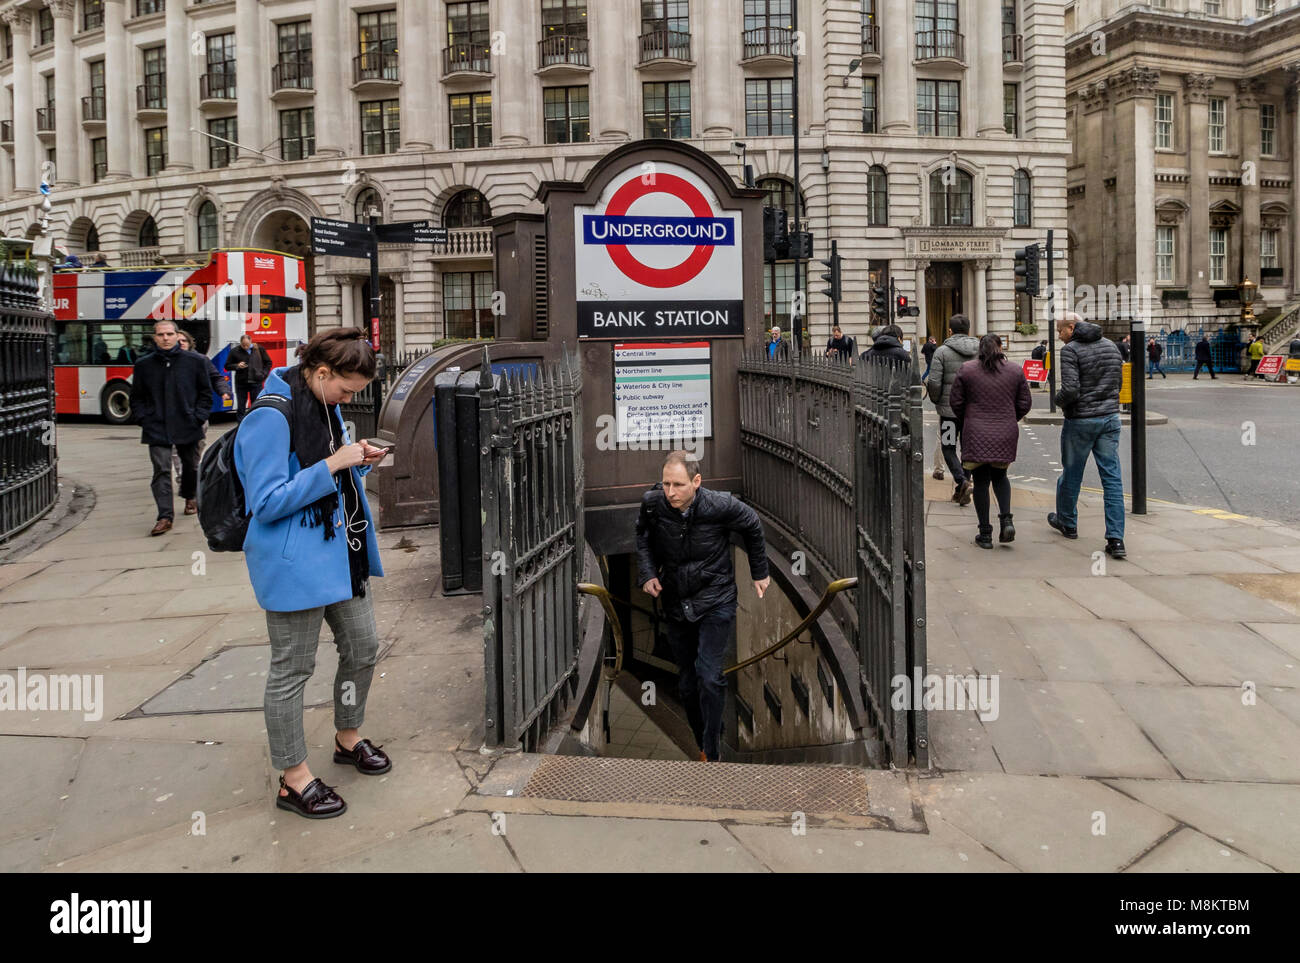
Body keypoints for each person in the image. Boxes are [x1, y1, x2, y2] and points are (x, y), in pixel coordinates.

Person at [234, 327, 390, 819]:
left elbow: (333, 477)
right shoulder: (268, 417)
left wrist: (358, 462)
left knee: (363, 648)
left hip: (343, 553)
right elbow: (265, 501)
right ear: (321, 372)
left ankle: (348, 737)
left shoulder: (326, 405)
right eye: (346, 390)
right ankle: (293, 778)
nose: (349, 399)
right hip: (294, 565)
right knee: (292, 670)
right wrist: (332, 464)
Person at [636, 451, 769, 763]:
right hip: (675, 602)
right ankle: (702, 743)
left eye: (678, 485)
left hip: (715, 599)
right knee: (686, 685)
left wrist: (759, 571)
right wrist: (647, 573)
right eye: (666, 483)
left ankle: (712, 749)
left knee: (708, 676)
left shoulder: (719, 505)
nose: (670, 492)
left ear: (696, 482)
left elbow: (751, 523)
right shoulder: (653, 503)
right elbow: (642, 536)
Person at [1049, 312, 1126, 559]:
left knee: (1072, 474)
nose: (1059, 336)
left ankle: (1068, 524)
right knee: (1112, 479)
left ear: (1072, 327)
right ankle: (1116, 540)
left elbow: (1070, 389)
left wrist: (1057, 401)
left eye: (1060, 330)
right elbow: (1119, 384)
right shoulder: (1112, 346)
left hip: (1081, 420)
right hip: (1110, 418)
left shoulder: (1071, 350)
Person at [129, 319, 213, 535]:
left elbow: (205, 393)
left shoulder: (195, 361)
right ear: (154, 338)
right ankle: (165, 516)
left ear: (177, 336)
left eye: (169, 334)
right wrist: (143, 418)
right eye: (160, 335)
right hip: (156, 426)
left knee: (190, 467)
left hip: (187, 423)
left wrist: (198, 416)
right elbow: (137, 397)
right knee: (161, 470)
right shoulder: (144, 365)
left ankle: (189, 495)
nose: (165, 338)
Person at [949, 334, 1033, 549]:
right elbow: (1025, 403)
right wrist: (1008, 418)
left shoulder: (967, 370)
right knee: (1000, 476)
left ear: (980, 348)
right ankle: (1007, 520)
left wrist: (968, 418)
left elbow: (956, 402)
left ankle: (985, 534)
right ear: (1000, 347)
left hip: (976, 430)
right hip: (1004, 430)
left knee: (981, 480)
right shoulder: (1015, 370)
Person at [925, 314, 978, 506]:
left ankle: (962, 482)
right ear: (969, 331)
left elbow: (934, 382)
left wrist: (937, 400)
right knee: (968, 450)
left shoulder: (942, 352)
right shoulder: (979, 350)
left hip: (949, 413)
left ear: (950, 331)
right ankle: (961, 488)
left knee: (948, 448)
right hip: (972, 412)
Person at [172, 330, 232, 488]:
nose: (181, 344)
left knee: (197, 446)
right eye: (177, 341)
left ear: (189, 342)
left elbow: (215, 377)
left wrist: (224, 391)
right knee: (175, 449)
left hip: (197, 412)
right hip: (175, 414)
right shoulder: (167, 362)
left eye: (183, 340)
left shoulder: (200, 360)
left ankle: (192, 472)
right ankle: (182, 476)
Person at [226, 334, 273, 418]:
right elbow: (227, 366)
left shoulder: (259, 349)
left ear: (251, 341)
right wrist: (237, 365)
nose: (245, 347)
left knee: (256, 405)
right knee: (241, 407)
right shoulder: (234, 351)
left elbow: (268, 362)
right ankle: (240, 425)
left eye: (247, 345)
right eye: (243, 345)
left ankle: (256, 423)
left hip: (256, 381)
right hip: (241, 383)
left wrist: (264, 374)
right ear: (240, 343)